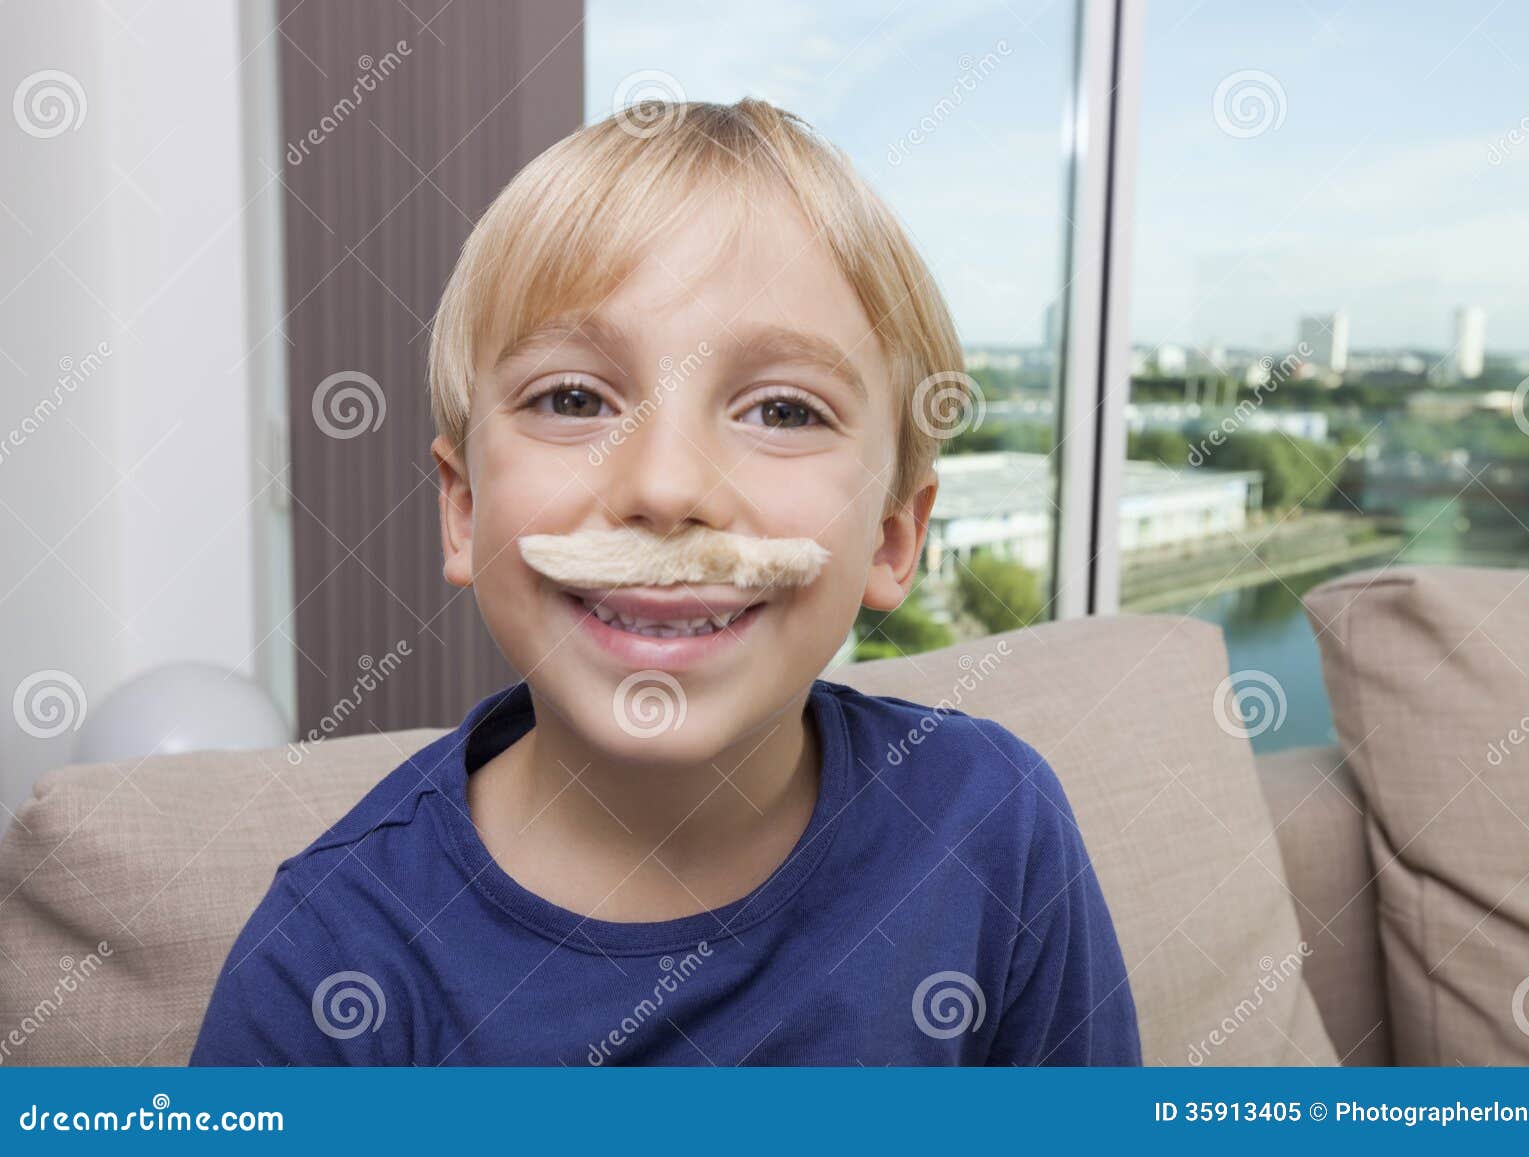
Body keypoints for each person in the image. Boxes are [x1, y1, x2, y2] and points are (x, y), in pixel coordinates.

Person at [189, 98, 1140, 1066]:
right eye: (573, 398)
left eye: (781, 408)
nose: (665, 486)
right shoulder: (325, 960)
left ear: (893, 539)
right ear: (465, 509)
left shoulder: (989, 820)